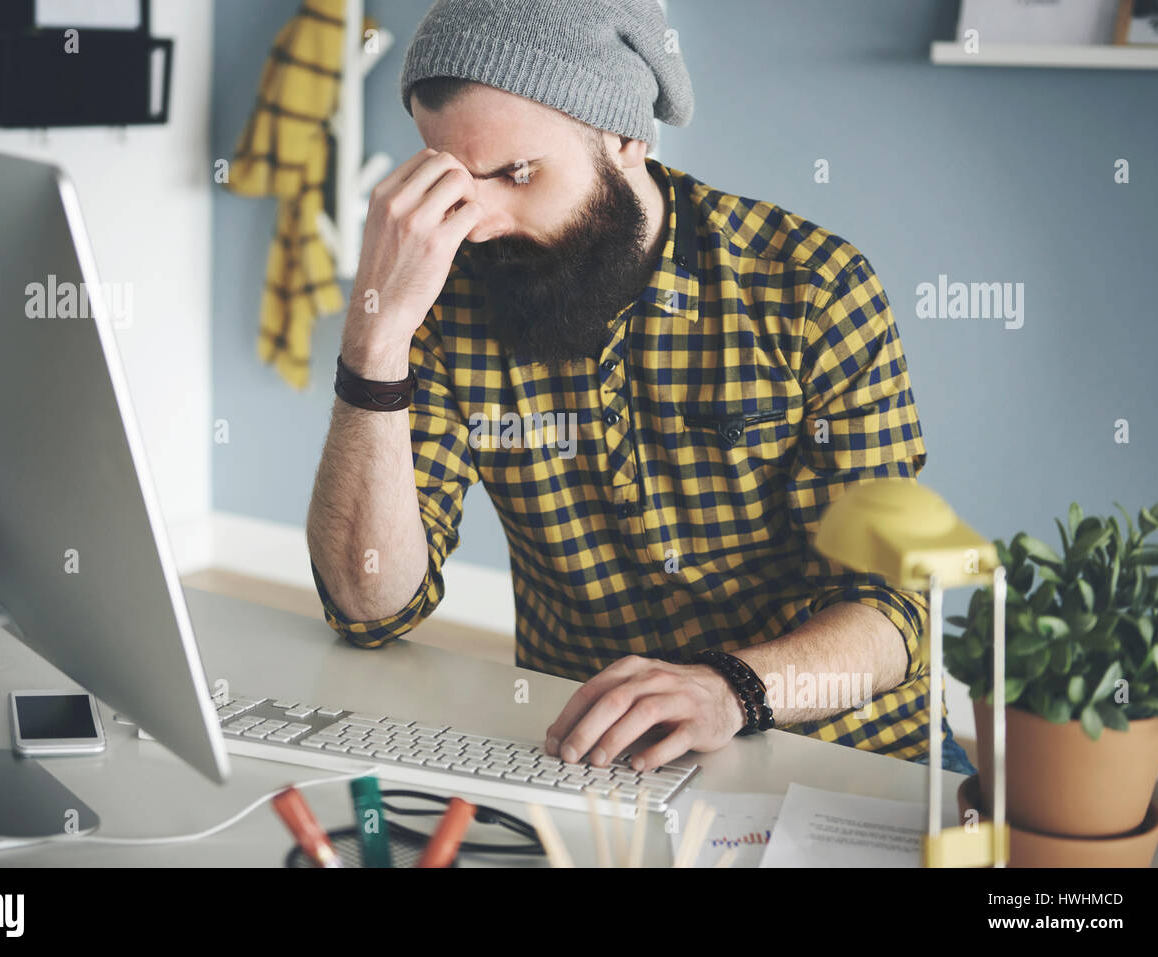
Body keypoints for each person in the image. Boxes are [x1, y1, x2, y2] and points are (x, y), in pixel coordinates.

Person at [306, 0, 975, 776]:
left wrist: (729, 689)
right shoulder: (445, 299)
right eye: (451, 178)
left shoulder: (812, 288)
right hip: (605, 758)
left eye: (515, 172)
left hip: (850, 748)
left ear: (625, 136)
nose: (478, 220)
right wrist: (374, 338)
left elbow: (895, 610)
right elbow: (368, 604)